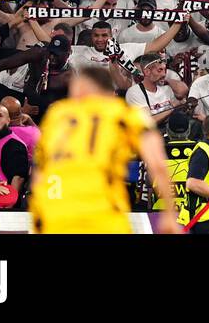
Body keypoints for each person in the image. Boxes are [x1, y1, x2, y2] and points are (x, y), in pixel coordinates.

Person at [30, 66, 180, 234]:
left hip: (55, 213)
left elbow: (39, 169)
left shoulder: (57, 114)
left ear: (83, 87)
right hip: (102, 212)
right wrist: (169, 213)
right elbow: (157, 163)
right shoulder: (124, 115)